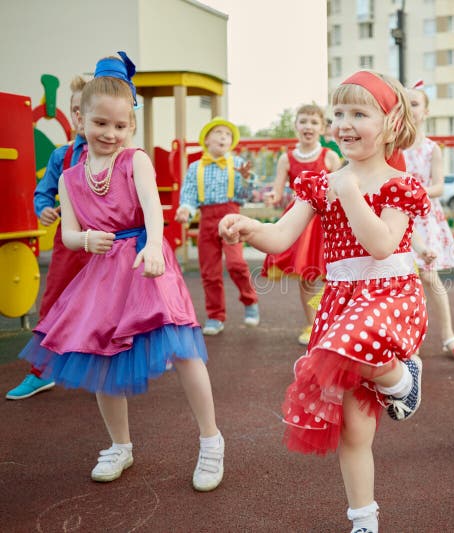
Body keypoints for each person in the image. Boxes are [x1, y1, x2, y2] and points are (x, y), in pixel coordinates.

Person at [219, 70, 428, 533]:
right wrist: (248, 226)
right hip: (341, 299)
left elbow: (381, 245)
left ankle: (401, 380)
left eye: (359, 113)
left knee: (343, 346)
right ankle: (364, 521)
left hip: (390, 296)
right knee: (353, 429)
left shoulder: (400, 186)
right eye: (339, 114)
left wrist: (349, 190)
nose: (344, 123)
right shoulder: (319, 183)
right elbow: (280, 238)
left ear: (391, 123)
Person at [18, 53, 225, 491]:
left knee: (183, 345)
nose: (110, 134)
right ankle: (120, 446)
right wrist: (84, 241)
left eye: (120, 126)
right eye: (100, 124)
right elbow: (70, 234)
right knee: (100, 355)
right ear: (81, 121)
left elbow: (153, 208)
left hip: (147, 262)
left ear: (130, 126)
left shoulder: (136, 161)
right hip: (103, 270)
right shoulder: (70, 177)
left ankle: (211, 440)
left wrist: (153, 245)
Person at [7, 75, 92, 401]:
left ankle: (135, 358)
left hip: (109, 241)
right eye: (75, 110)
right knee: (54, 302)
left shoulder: (118, 155)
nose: (80, 117)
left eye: (87, 109)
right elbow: (43, 192)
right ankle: (41, 372)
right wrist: (43, 208)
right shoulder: (62, 155)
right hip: (69, 240)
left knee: (125, 301)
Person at [404, 81, 454, 361]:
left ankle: (448, 337)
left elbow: (439, 187)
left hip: (423, 216)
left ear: (426, 111)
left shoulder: (432, 149)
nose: (409, 109)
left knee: (430, 277)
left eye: (415, 103)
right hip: (397, 217)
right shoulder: (391, 145)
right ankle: (408, 342)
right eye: (404, 104)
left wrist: (412, 191)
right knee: (404, 280)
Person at [263, 104, 341, 345]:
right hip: (300, 220)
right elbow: (277, 190)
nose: (308, 126)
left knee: (335, 275)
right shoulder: (286, 159)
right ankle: (312, 324)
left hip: (327, 221)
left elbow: (339, 189)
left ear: (322, 128)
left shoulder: (329, 156)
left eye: (314, 122)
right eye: (303, 121)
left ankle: (334, 322)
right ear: (296, 125)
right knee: (308, 276)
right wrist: (272, 197)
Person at [175, 117, 259, 336]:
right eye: (218, 132)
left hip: (231, 217)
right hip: (207, 220)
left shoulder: (239, 164)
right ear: (206, 139)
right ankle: (215, 316)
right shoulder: (195, 168)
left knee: (236, 263)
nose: (224, 137)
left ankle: (250, 300)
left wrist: (248, 181)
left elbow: (246, 195)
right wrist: (186, 209)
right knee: (209, 271)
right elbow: (189, 194)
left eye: (228, 134)